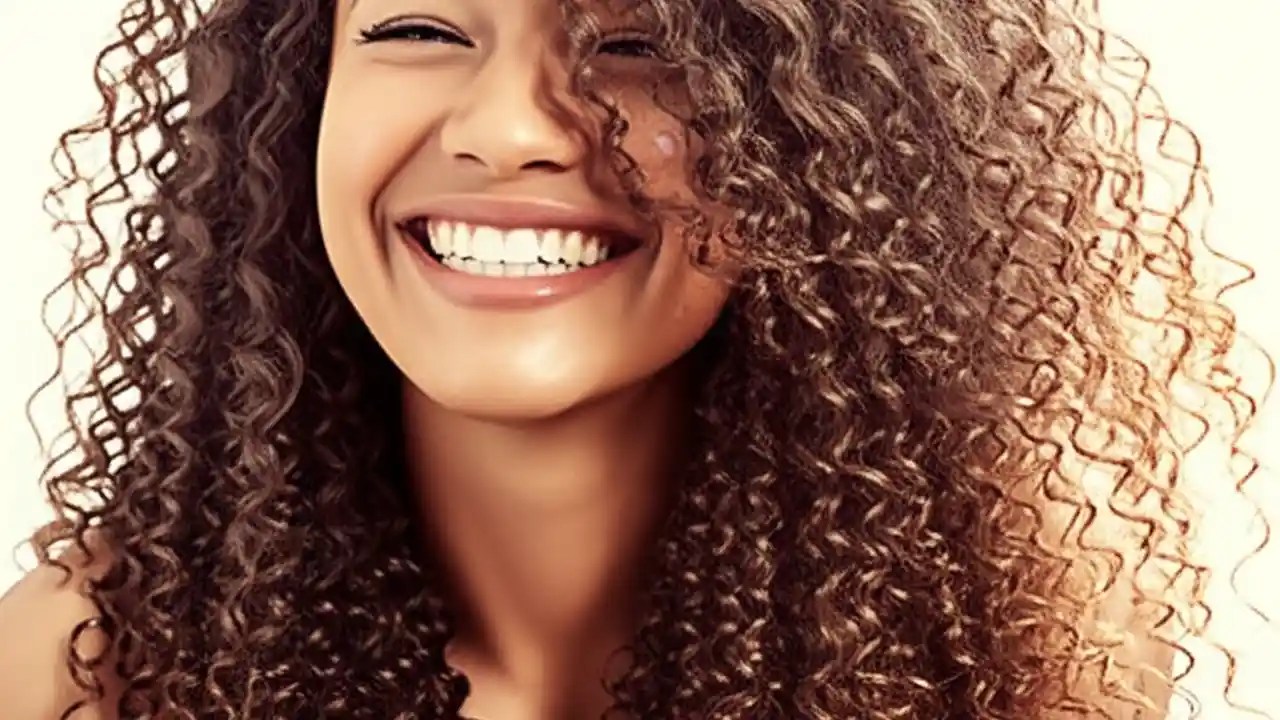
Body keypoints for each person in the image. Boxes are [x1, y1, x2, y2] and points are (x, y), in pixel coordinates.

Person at [0, 0, 1267, 717]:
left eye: (636, 42)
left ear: (835, 150)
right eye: (419, 27)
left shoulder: (1009, 662)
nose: (508, 130)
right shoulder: (91, 670)